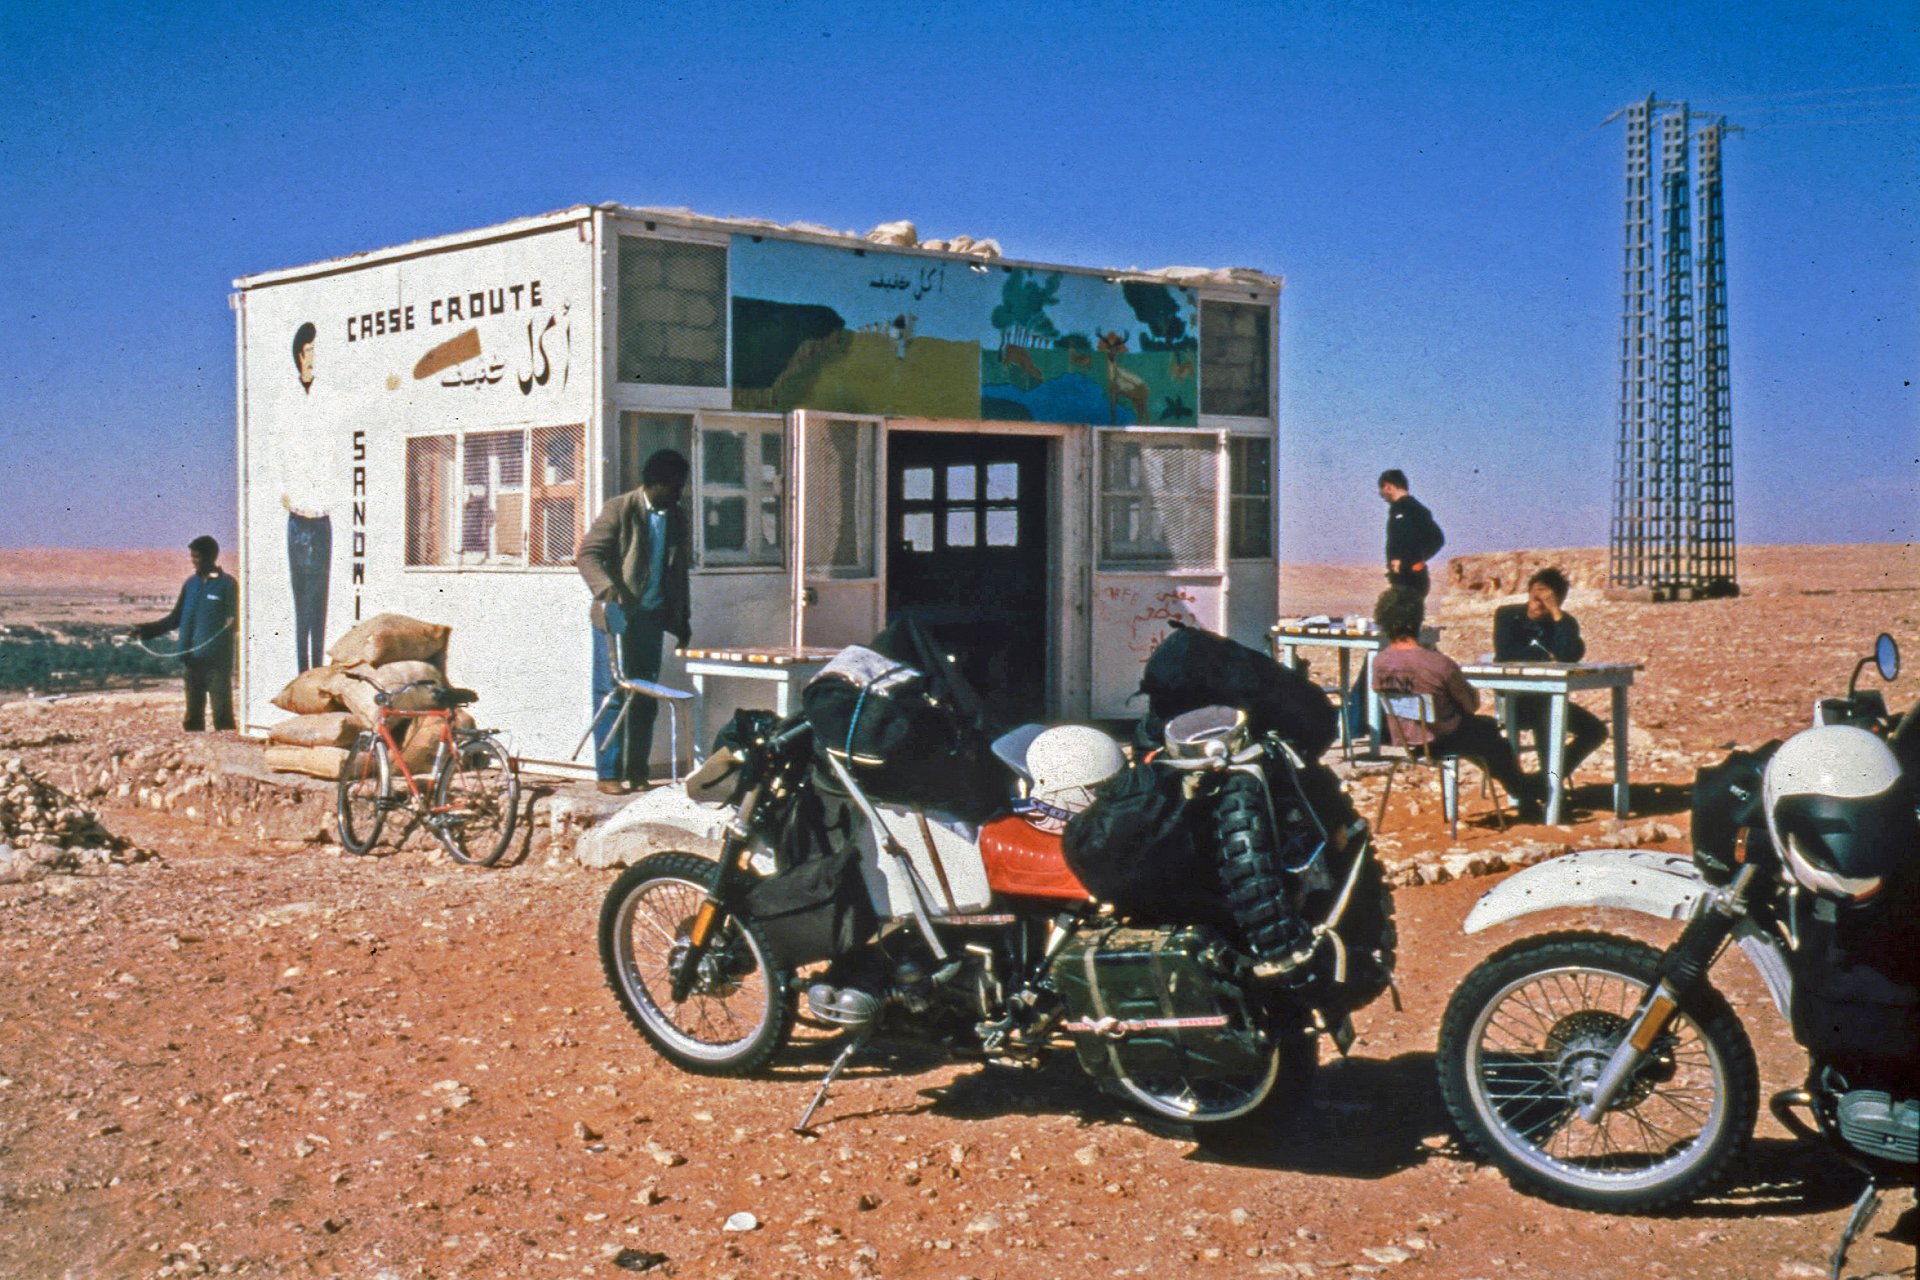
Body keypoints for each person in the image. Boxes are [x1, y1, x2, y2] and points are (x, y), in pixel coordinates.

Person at [1371, 587, 1546, 821]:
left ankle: (1526, 789)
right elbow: (1471, 704)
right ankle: (1527, 792)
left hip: (1408, 739)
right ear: (1417, 620)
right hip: (1443, 739)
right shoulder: (1439, 664)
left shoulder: (1379, 662)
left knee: (1480, 735)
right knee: (1493, 739)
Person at [576, 450, 693, 794]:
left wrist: (683, 620)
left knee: (645, 695)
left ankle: (637, 771)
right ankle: (609, 774)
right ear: (656, 483)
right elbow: (587, 555)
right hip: (617, 618)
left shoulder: (676, 517)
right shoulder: (620, 509)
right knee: (613, 693)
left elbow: (678, 574)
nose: (679, 493)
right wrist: (608, 590)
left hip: (652, 618)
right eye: (675, 486)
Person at [1493, 567, 1608, 799]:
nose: (1537, 606)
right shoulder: (1508, 616)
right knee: (1545, 717)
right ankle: (1549, 792)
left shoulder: (1564, 622)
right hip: (1516, 700)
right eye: (1535, 598)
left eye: (1546, 601)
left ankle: (1541, 782)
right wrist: (1547, 656)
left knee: (1596, 731)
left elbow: (1568, 654)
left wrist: (1556, 612)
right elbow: (1506, 652)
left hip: (1550, 699)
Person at [130, 535, 238, 732]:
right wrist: (145, 631)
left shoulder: (227, 585)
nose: (194, 561)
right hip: (191, 659)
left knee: (222, 713)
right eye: (192, 556)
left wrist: (232, 622)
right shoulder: (191, 584)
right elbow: (174, 619)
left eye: (197, 556)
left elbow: (235, 619)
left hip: (216, 661)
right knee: (192, 716)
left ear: (211, 556)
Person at [285, 320, 330, 672]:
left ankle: (317, 668)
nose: (314, 357)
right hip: (299, 519)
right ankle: (304, 671)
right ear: (300, 355)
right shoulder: (288, 399)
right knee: (303, 601)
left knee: (321, 600)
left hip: (321, 519)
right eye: (310, 351)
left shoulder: (328, 395)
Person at [1378, 469, 1444, 600]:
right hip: (1400, 578)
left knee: (1407, 614)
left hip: (1412, 577)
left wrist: (1417, 561)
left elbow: (1437, 539)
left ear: (1388, 487)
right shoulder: (1396, 509)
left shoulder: (1414, 508)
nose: (1381, 494)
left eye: (1382, 489)